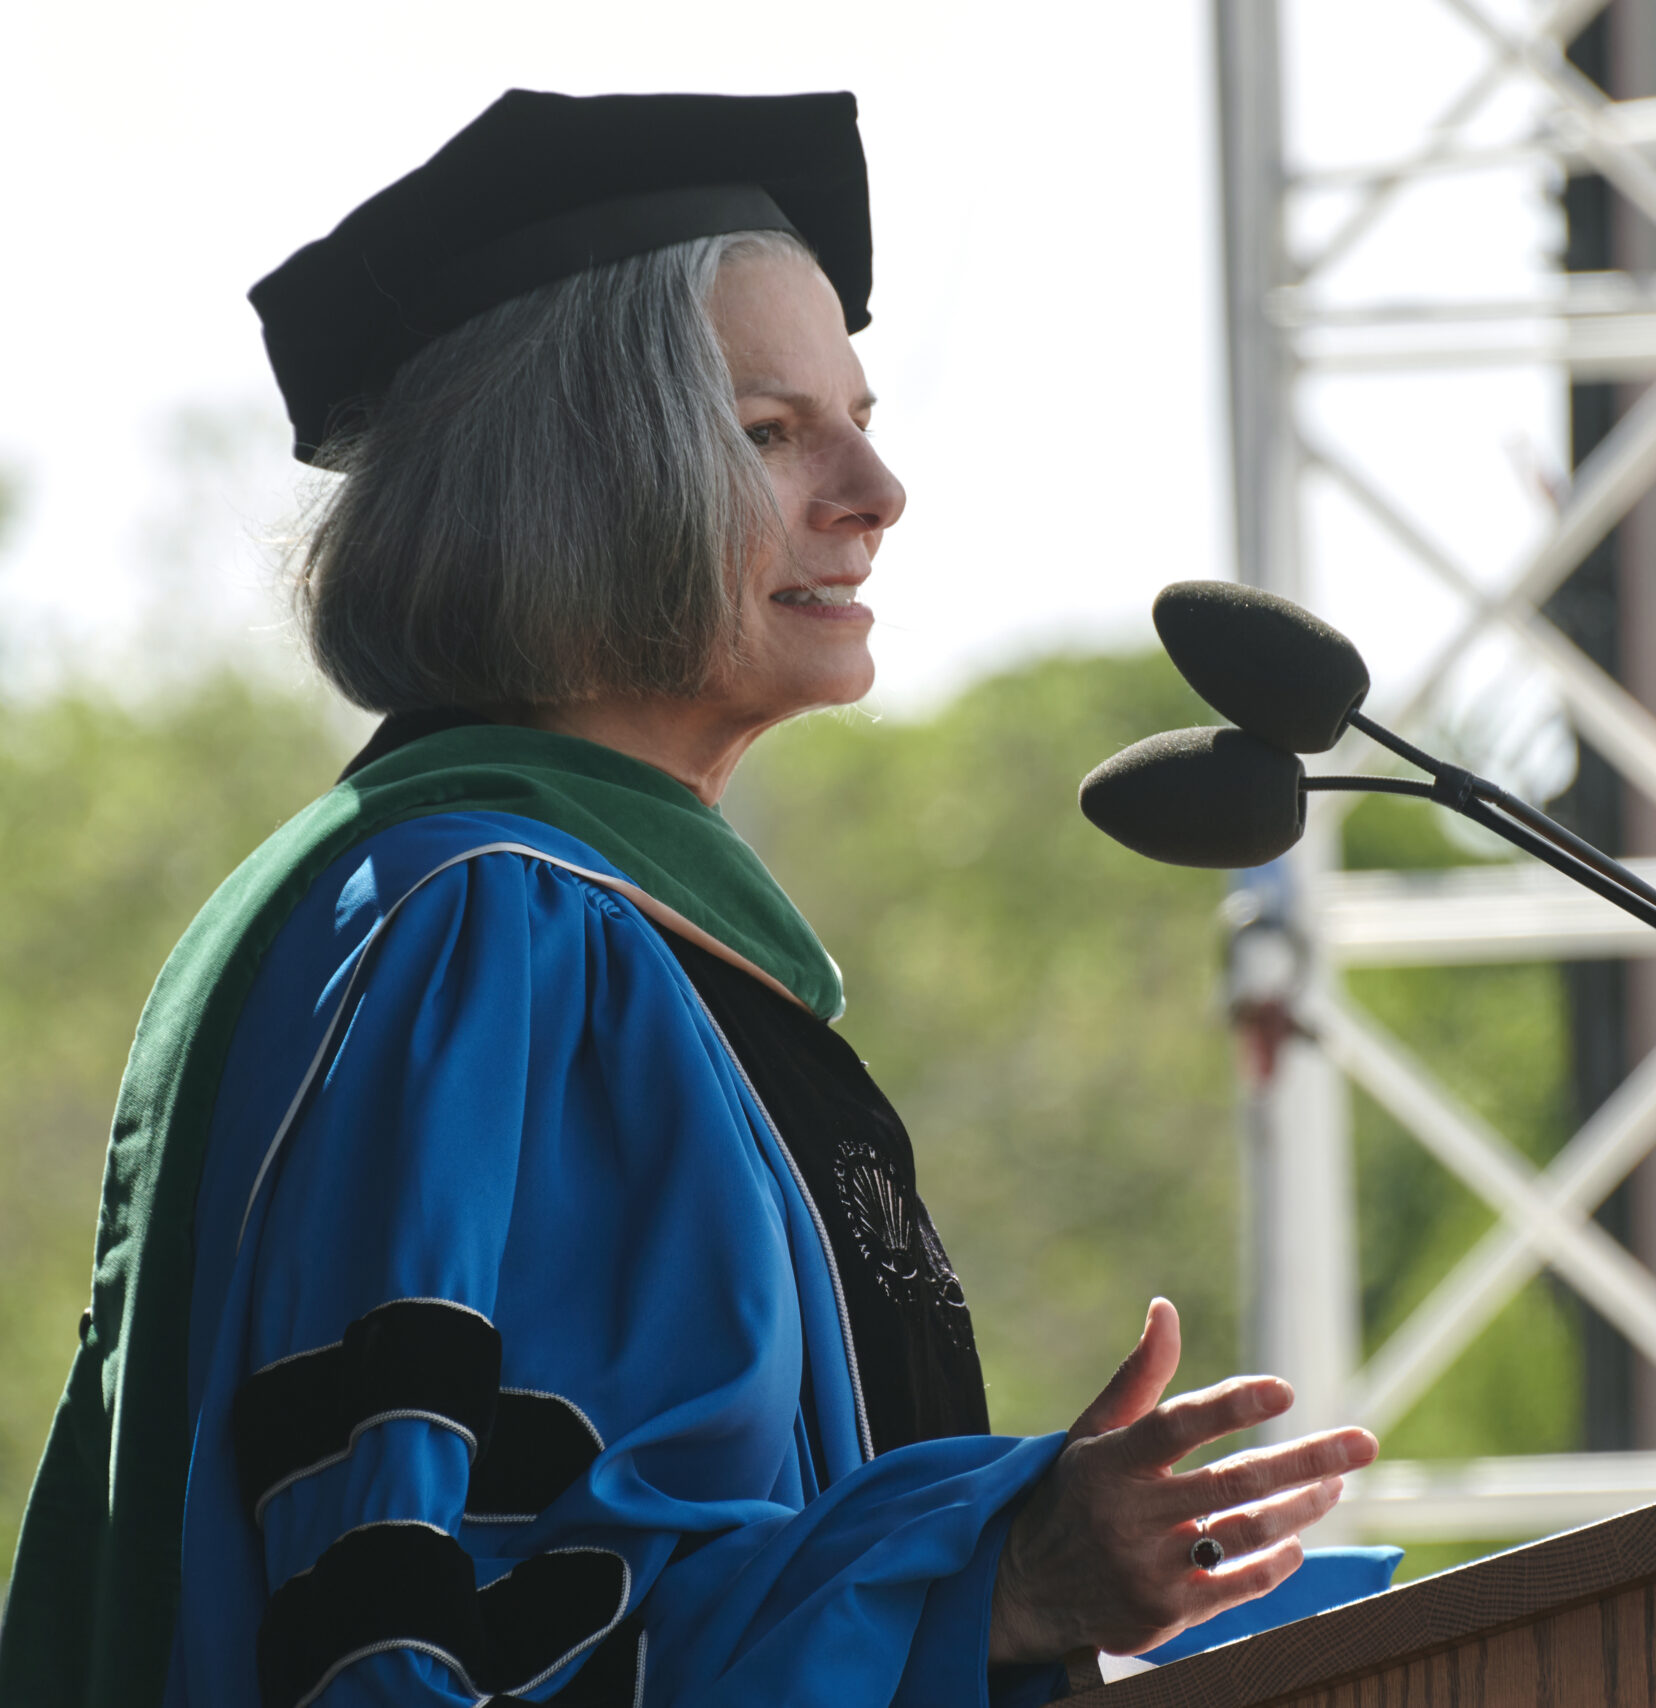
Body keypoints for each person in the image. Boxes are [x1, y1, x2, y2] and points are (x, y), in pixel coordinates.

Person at [0, 89, 1377, 1708]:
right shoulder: (481, 930)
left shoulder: (607, 935)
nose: (877, 488)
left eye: (856, 414)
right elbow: (435, 1630)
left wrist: (998, 1564)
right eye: (771, 430)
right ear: (568, 477)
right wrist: (986, 1575)